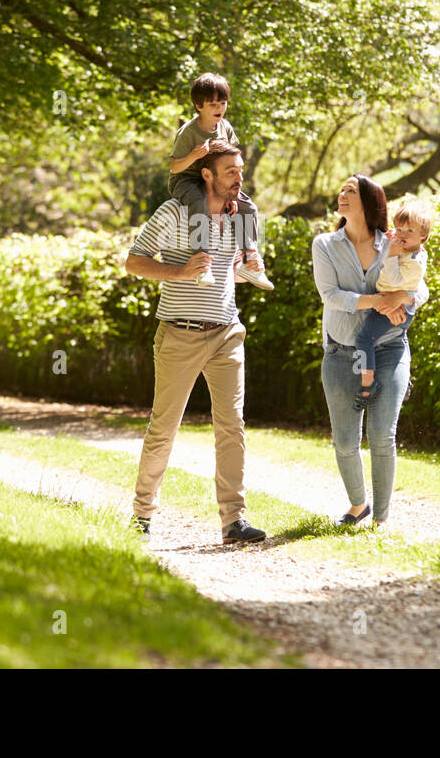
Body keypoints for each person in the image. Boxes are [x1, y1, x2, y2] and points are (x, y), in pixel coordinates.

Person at [125, 138, 268, 545]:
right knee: (164, 427)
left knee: (232, 426)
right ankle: (142, 515)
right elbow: (134, 261)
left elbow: (230, 272)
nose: (240, 178)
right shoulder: (173, 212)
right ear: (206, 174)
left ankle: (233, 521)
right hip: (179, 332)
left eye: (241, 170)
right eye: (231, 171)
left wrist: (250, 267)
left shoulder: (241, 215)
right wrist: (182, 272)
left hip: (227, 332)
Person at [311, 175, 427, 528]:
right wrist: (380, 300)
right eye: (341, 188)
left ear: (369, 201)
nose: (341, 194)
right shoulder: (325, 245)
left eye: (350, 190)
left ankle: (382, 520)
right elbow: (330, 296)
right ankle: (359, 504)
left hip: (390, 348)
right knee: (345, 442)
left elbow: (421, 290)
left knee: (382, 435)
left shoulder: (395, 241)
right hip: (341, 352)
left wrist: (403, 298)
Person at [168, 72, 273, 291]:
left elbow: (233, 163)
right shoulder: (188, 132)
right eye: (213, 104)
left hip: (216, 181)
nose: (219, 109)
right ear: (199, 106)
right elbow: (175, 167)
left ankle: (249, 261)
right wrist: (194, 156)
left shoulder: (225, 127)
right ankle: (202, 262)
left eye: (223, 103)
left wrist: (231, 196)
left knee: (249, 207)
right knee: (199, 201)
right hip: (187, 179)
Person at [351, 198, 433, 410]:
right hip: (388, 301)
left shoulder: (415, 261)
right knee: (386, 339)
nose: (402, 235)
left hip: (400, 308)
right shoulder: (406, 248)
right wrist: (392, 242)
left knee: (363, 338)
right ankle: (403, 380)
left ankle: (368, 385)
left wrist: (392, 255)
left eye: (409, 231)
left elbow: (397, 281)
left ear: (423, 235)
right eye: (399, 229)